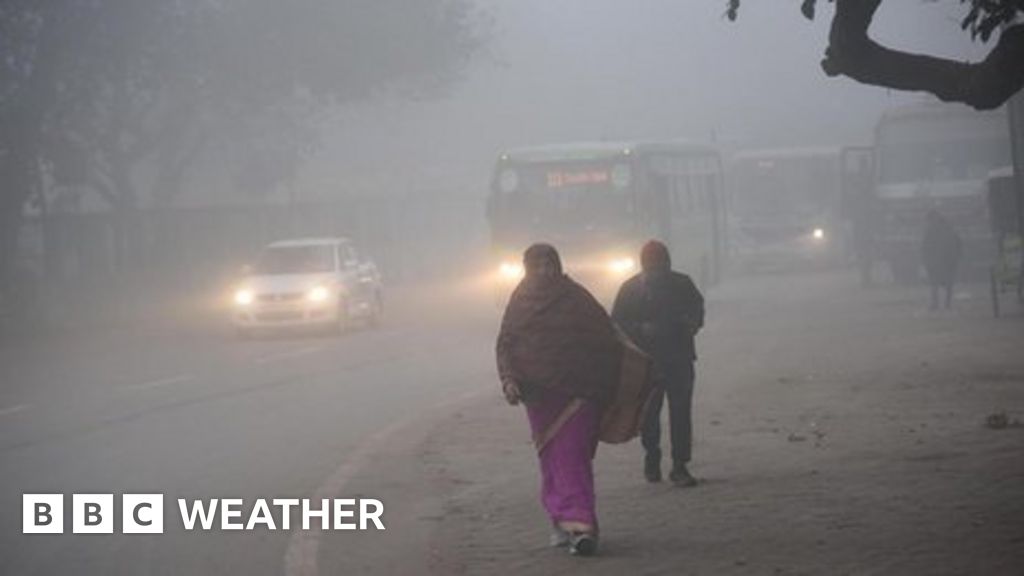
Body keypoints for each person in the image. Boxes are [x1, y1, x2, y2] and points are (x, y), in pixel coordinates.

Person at [495, 243, 621, 556]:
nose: (545, 271)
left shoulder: (575, 297)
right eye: (537, 265)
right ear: (527, 268)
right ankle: (562, 520)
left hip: (579, 393)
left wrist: (599, 375)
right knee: (552, 460)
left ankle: (582, 525)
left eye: (550, 264)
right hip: (540, 398)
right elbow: (506, 343)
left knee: (573, 457)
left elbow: (605, 335)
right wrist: (509, 380)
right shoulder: (520, 301)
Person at [611, 240, 704, 486]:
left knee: (678, 413)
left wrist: (687, 325)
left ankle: (678, 464)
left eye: (658, 263)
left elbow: (697, 313)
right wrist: (641, 329)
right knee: (652, 415)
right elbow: (618, 325)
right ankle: (655, 458)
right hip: (649, 363)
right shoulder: (631, 289)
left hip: (676, 359)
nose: (656, 269)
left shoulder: (681, 285)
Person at [921, 209, 962, 310]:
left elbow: (925, 246)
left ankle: (940, 304)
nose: (928, 223)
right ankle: (944, 304)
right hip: (944, 260)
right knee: (943, 283)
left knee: (938, 283)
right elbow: (958, 242)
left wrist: (926, 259)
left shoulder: (935, 229)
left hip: (942, 260)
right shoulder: (947, 227)